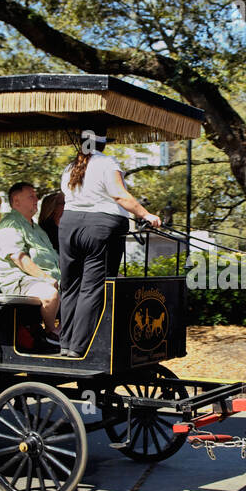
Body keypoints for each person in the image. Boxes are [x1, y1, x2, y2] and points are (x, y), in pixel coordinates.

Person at [58, 132, 161, 358]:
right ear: (102, 144)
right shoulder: (106, 162)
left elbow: (67, 197)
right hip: (100, 226)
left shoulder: (70, 167)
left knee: (70, 285)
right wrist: (146, 215)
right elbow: (119, 195)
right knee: (92, 287)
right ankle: (79, 347)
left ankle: (65, 344)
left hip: (69, 225)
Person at [0, 181, 61, 342]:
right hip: (20, 281)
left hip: (45, 279)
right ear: (16, 201)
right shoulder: (10, 225)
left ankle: (67, 332)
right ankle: (51, 334)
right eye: (31, 196)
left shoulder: (36, 229)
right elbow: (18, 258)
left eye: (35, 196)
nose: (36, 199)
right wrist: (46, 278)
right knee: (50, 295)